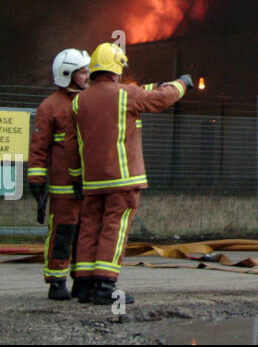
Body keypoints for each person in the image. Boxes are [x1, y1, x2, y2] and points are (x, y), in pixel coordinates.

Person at [68, 42, 191, 305]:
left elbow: (134, 93)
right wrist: (181, 84)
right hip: (122, 179)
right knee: (114, 226)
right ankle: (105, 284)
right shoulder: (125, 94)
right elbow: (158, 99)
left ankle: (85, 284)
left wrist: (77, 178)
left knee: (90, 226)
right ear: (116, 69)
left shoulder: (79, 101)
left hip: (92, 180)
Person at [26, 49, 90, 300]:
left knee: (86, 235)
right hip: (64, 189)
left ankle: (81, 280)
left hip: (90, 184)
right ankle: (56, 280)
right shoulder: (50, 106)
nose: (87, 75)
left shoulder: (90, 100)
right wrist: (37, 181)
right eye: (82, 71)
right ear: (67, 75)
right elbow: (39, 148)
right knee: (64, 233)